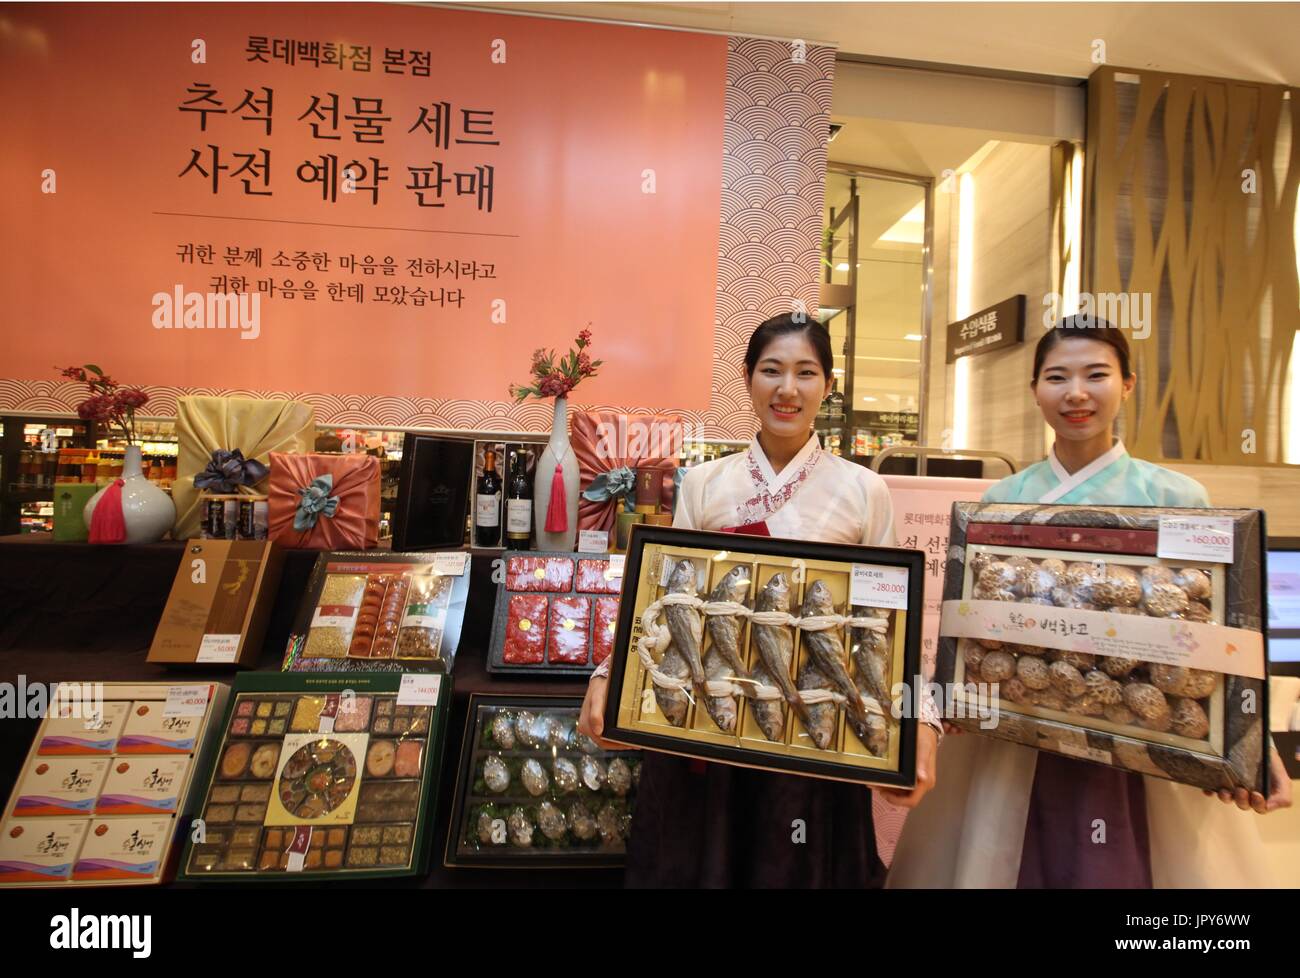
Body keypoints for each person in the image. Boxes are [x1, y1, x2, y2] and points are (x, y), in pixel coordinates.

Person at [887, 315, 1293, 889]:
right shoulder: (1003, 501)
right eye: (1057, 377)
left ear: (1128, 383)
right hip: (1016, 731)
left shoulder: (1178, 498)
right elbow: (974, 627)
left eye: (1096, 375)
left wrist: (1247, 744)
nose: (1076, 394)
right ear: (1035, 391)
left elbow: (1212, 633)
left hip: (1142, 741)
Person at [577, 311, 942, 887]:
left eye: (806, 372)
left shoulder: (863, 489)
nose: (787, 389)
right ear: (748, 379)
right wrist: (608, 673)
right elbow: (668, 594)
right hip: (710, 723)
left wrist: (920, 718)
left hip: (814, 731)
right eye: (771, 370)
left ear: (828, 385)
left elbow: (889, 623)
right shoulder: (703, 483)